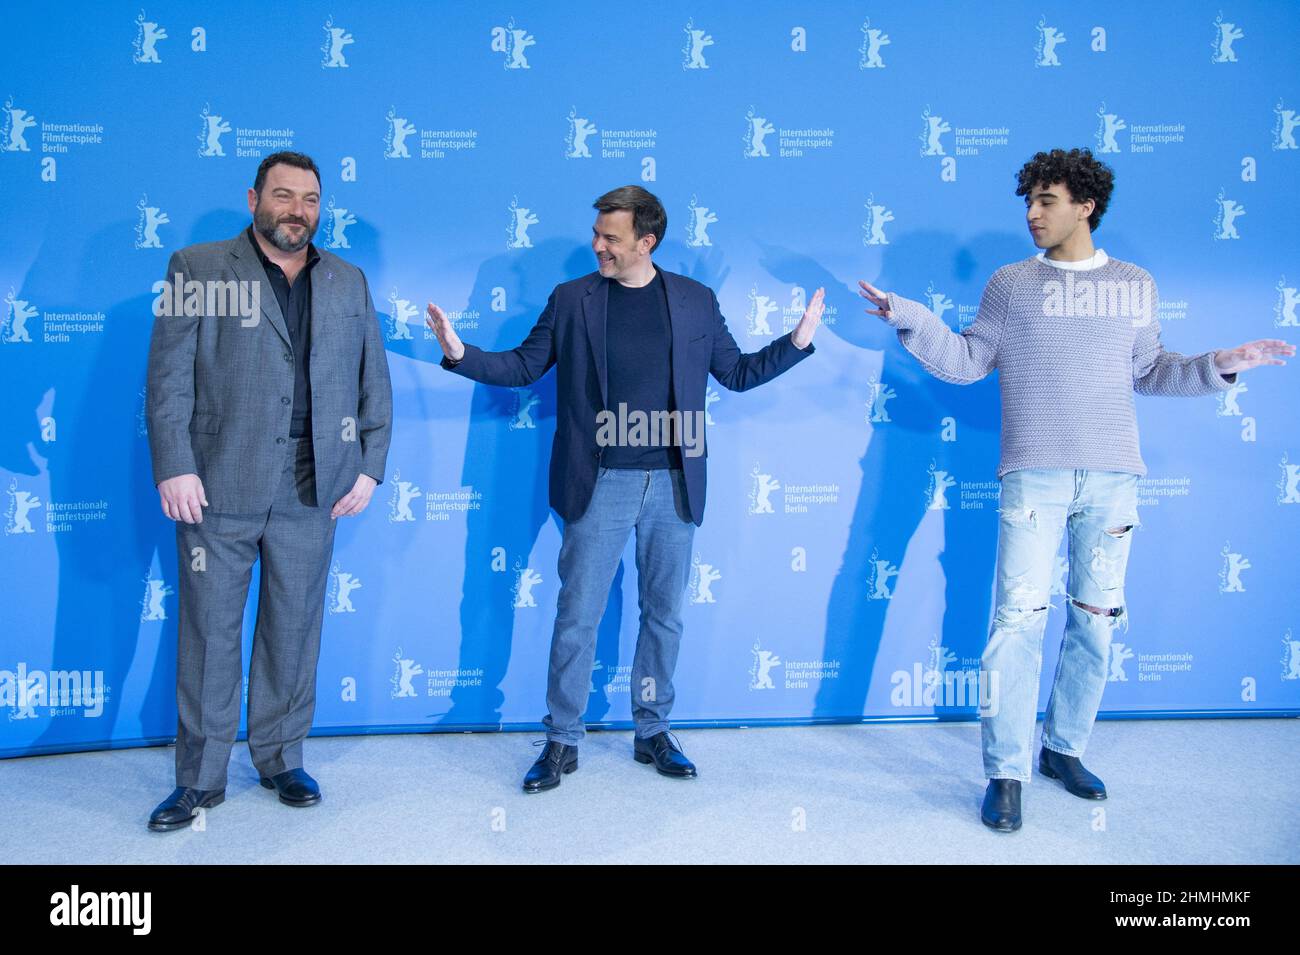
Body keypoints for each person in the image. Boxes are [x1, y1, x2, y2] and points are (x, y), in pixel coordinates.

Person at [858, 147, 1292, 832]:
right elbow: (969, 359)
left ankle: (1064, 748)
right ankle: (1007, 772)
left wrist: (1220, 366)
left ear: (1086, 205)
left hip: (1113, 477)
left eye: (1046, 199)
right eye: (1027, 199)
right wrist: (910, 316)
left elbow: (1149, 370)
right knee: (1016, 623)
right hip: (1034, 472)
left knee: (1095, 621)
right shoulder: (1010, 284)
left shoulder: (1134, 284)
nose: (1031, 213)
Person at [426, 185, 825, 791]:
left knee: (664, 615)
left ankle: (652, 730)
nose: (598, 247)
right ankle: (562, 739)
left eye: (610, 238)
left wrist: (796, 344)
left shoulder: (694, 301)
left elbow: (738, 374)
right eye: (597, 235)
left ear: (647, 241)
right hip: (599, 481)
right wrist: (460, 354)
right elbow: (524, 367)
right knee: (577, 616)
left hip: (675, 483)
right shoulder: (572, 300)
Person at [145, 151, 393, 831]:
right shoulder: (196, 268)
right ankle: (199, 778)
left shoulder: (347, 280)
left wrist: (370, 464)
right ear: (254, 197)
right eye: (283, 195)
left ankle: (280, 755)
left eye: (310, 199)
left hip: (315, 484)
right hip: (217, 481)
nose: (297, 210)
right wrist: (174, 463)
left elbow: (373, 374)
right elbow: (167, 375)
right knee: (209, 633)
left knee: (293, 626)